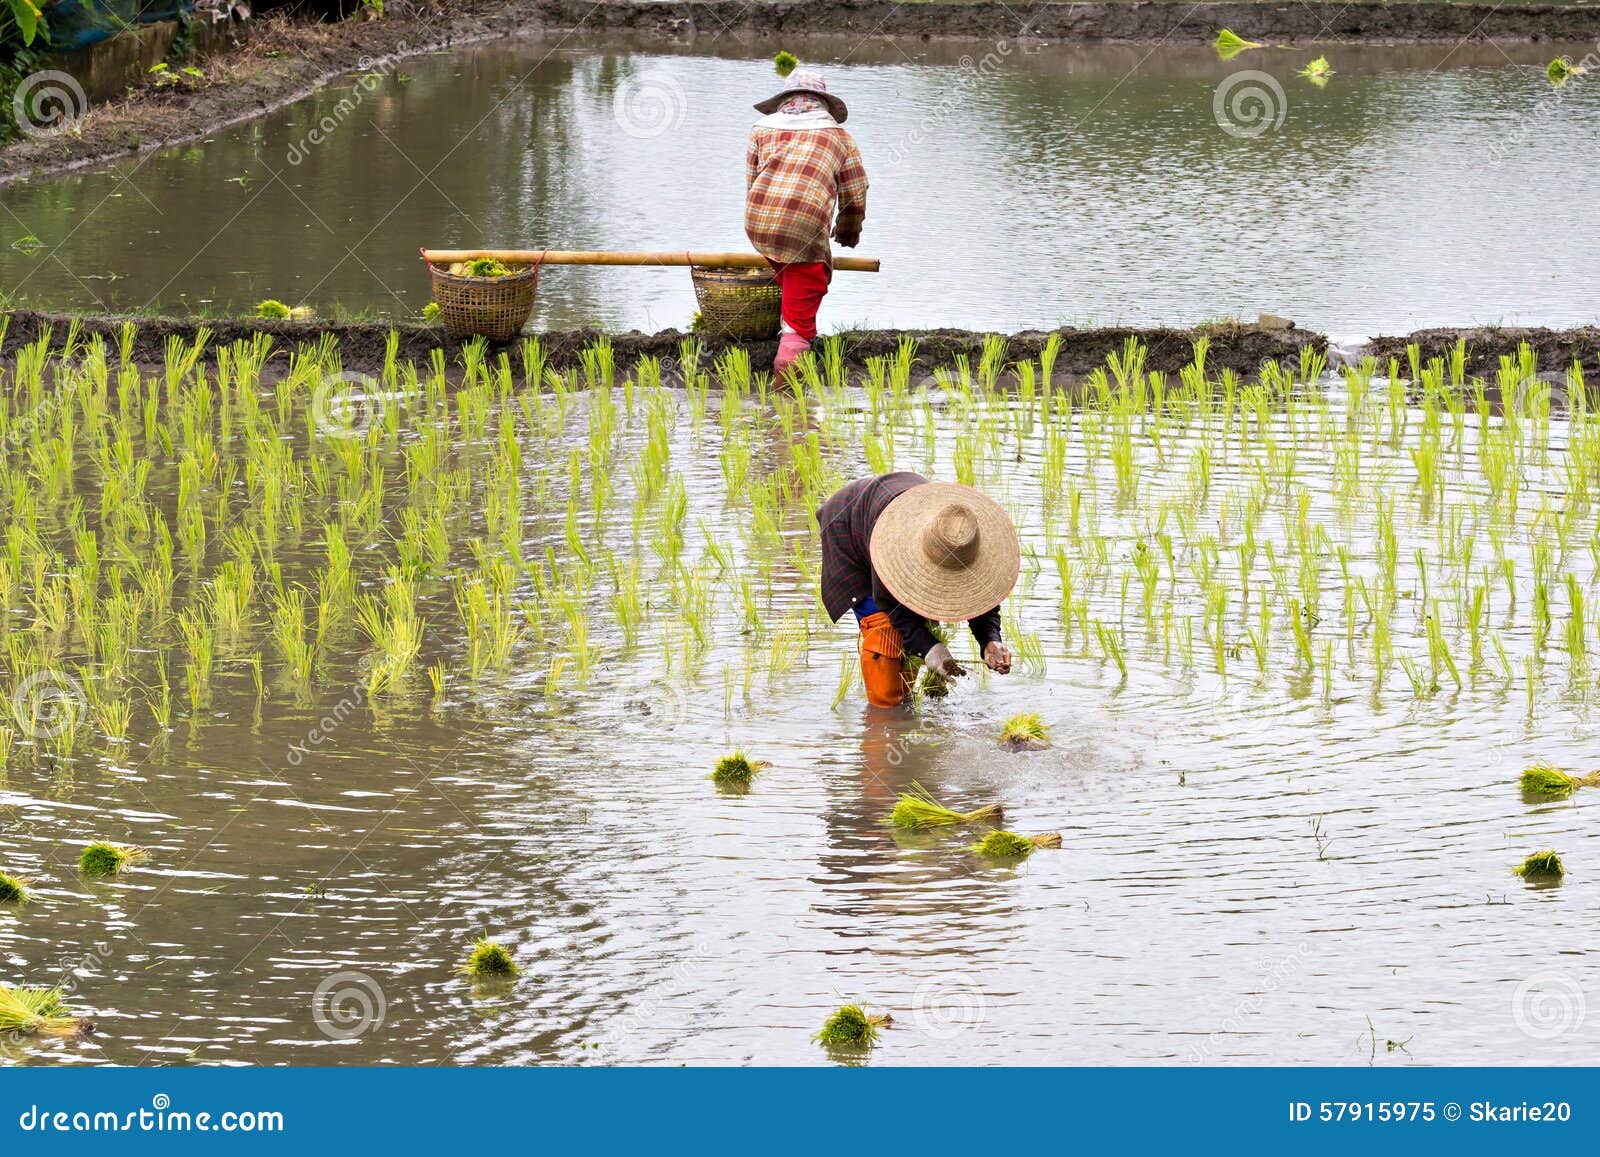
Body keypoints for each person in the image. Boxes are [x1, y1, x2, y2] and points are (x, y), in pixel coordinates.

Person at [818, 473, 1019, 708]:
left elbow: (979, 596)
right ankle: (884, 720)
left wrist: (990, 641)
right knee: (885, 635)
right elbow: (891, 605)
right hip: (850, 528)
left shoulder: (961, 532)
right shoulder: (893, 546)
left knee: (914, 634)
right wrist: (931, 649)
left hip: (899, 508)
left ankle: (905, 702)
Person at [744, 69, 868, 382]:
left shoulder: (761, 130)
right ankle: (789, 384)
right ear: (821, 105)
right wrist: (847, 234)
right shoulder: (839, 138)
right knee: (810, 276)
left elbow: (751, 181)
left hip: (758, 222)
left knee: (792, 270)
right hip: (803, 226)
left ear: (786, 103)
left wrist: (762, 218)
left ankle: (789, 324)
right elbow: (854, 195)